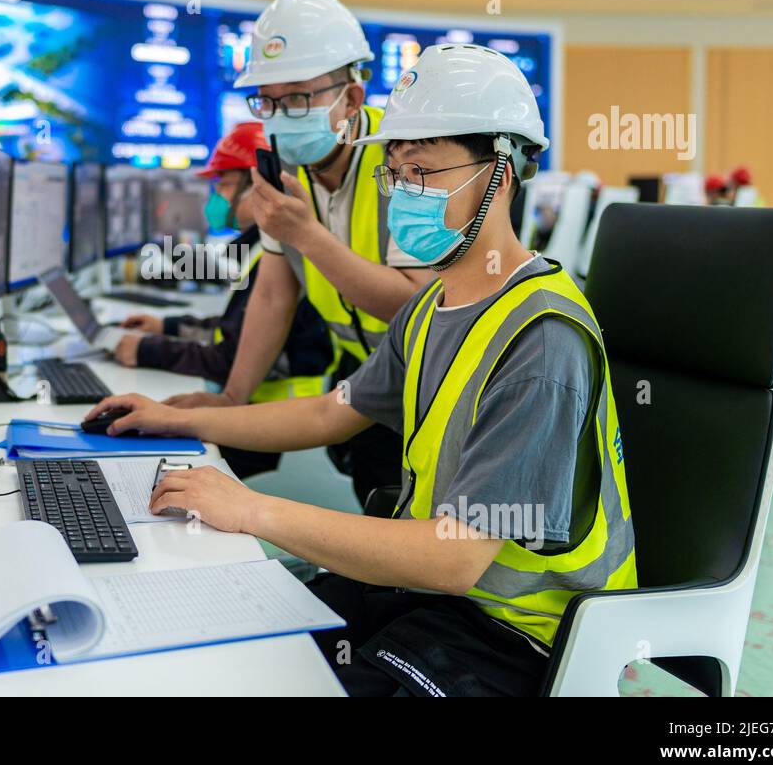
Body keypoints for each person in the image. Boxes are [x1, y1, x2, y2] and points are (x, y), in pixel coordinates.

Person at [86, 44, 637, 696]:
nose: (406, 193)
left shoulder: (540, 338)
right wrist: (183, 416)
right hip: (434, 598)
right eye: (396, 173)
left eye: (426, 172)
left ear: (504, 171)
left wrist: (253, 509)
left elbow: (456, 555)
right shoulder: (434, 304)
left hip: (521, 636)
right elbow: (329, 411)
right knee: (240, 644)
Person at [164, 0, 432, 505]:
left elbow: (412, 306)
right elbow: (272, 296)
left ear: (351, 98)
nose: (280, 115)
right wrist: (231, 399)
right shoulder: (284, 170)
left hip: (430, 383)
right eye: (268, 100)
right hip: (364, 380)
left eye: (298, 99)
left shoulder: (406, 164)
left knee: (406, 539)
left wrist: (307, 234)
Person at [110, 122, 336, 478]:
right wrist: (165, 326)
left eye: (224, 184)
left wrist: (146, 350)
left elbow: (228, 356)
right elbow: (231, 331)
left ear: (259, 185)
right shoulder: (256, 246)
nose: (216, 195)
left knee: (147, 462)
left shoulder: (277, 257)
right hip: (262, 408)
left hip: (275, 424)